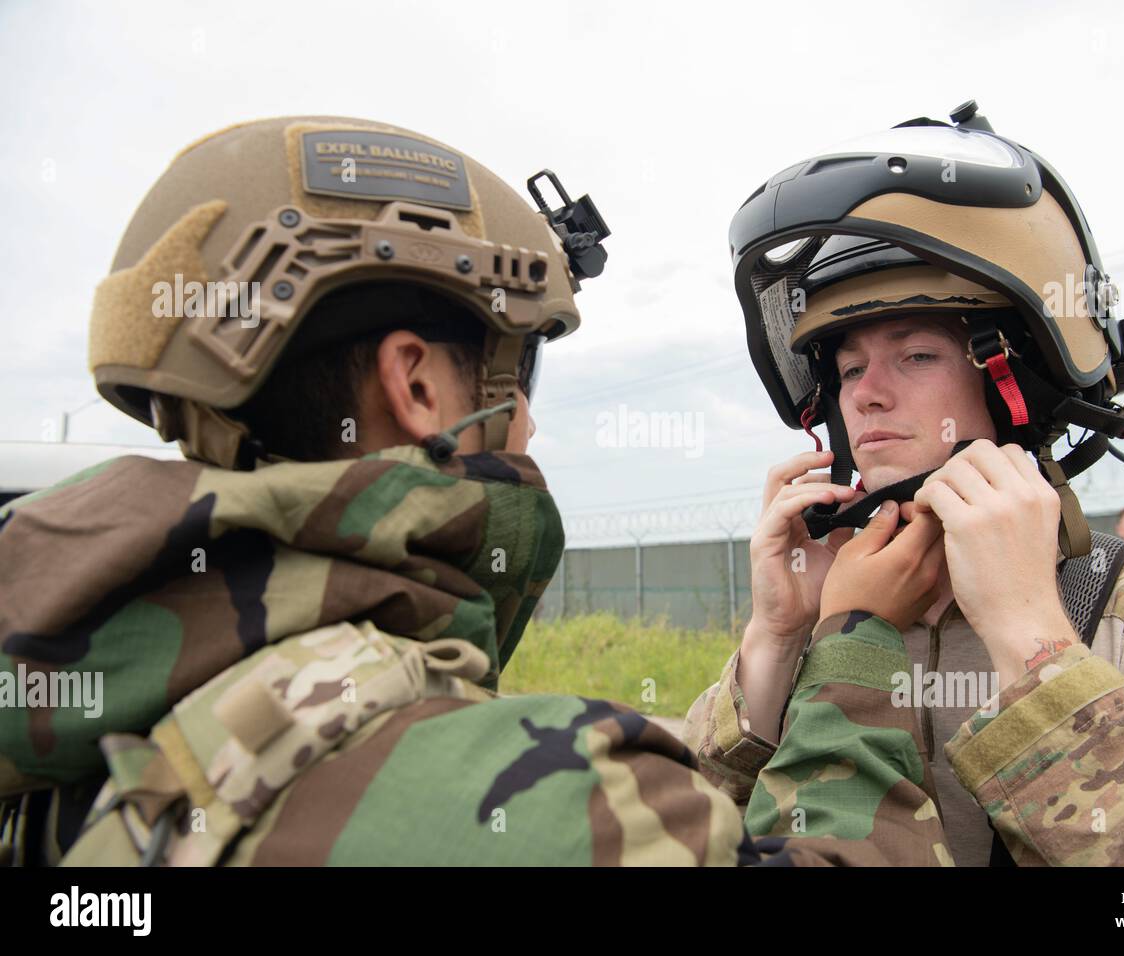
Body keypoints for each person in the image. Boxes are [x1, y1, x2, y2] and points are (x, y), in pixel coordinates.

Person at [0, 115, 948, 866]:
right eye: (518, 377)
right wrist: (856, 647)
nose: (528, 427)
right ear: (416, 386)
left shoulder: (86, 676)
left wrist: (773, 642)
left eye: (915, 354)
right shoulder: (497, 788)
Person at [686, 103, 1124, 866]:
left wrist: (1033, 639)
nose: (866, 394)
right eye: (848, 369)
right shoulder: (832, 624)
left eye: (916, 356)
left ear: (1016, 387)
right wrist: (775, 642)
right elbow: (678, 842)